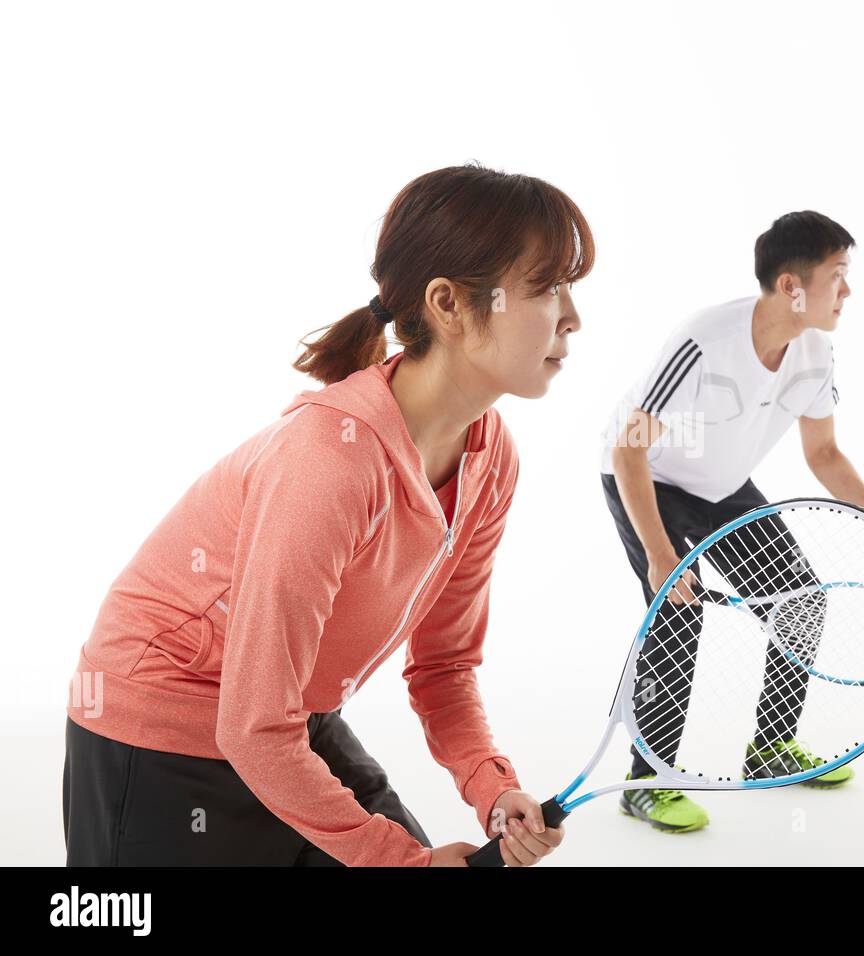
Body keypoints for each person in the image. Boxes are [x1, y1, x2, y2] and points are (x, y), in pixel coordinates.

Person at [63, 163, 592, 867]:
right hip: (160, 734)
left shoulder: (490, 458)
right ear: (450, 303)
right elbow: (251, 728)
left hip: (284, 724)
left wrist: (492, 790)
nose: (572, 316)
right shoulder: (331, 459)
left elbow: (443, 666)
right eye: (545, 287)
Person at [599, 210, 864, 833]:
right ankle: (645, 782)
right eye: (838, 276)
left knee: (800, 602)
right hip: (652, 479)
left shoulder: (815, 352)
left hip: (723, 487)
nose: (848, 291)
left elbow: (825, 456)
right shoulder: (706, 340)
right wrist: (660, 556)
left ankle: (771, 749)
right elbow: (629, 449)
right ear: (791, 285)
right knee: (680, 613)